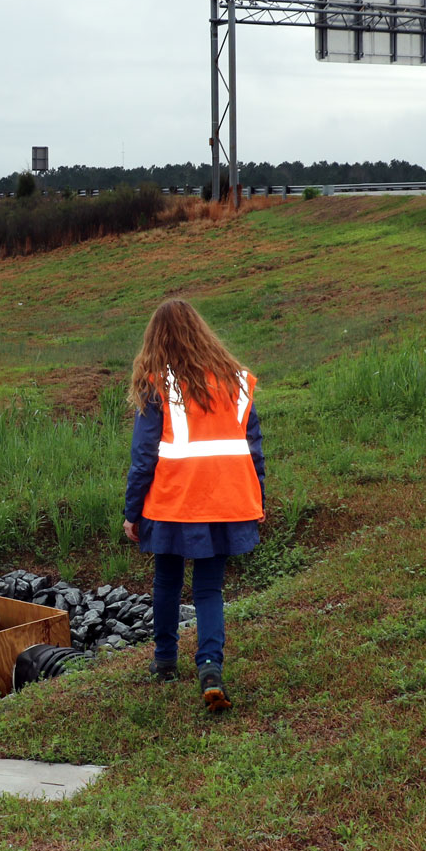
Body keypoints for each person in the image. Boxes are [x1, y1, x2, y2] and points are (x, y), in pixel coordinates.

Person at [121, 298, 265, 712]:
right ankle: (210, 668)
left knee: (166, 579)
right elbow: (254, 450)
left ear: (156, 340)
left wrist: (133, 512)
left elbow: (144, 456)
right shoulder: (238, 382)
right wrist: (259, 500)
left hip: (174, 503)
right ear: (203, 333)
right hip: (228, 501)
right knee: (209, 587)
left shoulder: (156, 384)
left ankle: (165, 661)